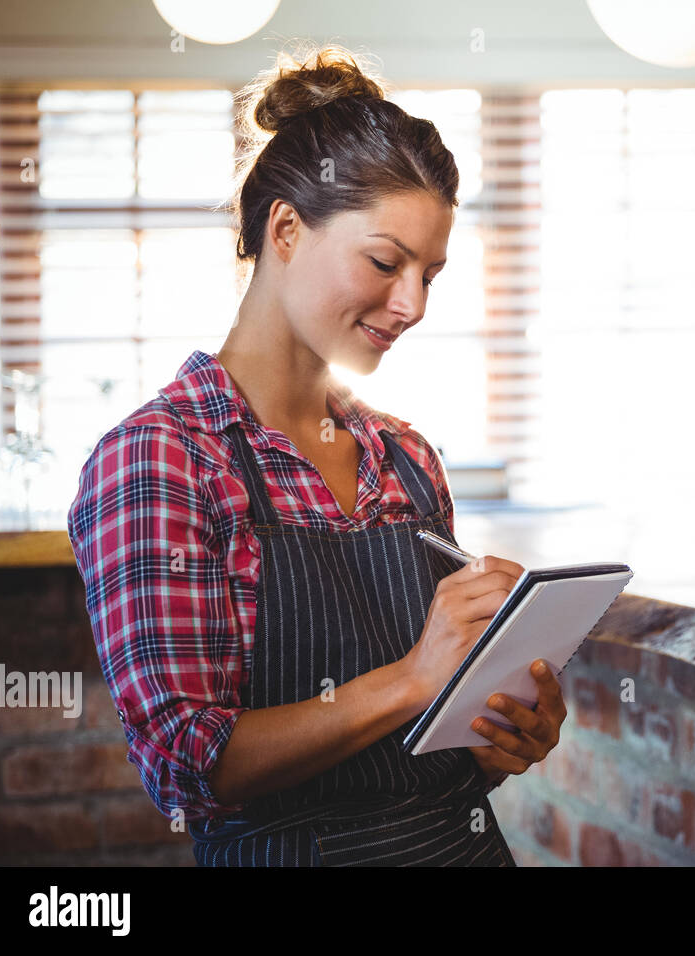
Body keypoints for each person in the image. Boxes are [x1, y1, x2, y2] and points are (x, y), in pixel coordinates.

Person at [67, 43, 566, 866]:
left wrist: (501, 731)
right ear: (287, 229)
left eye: (430, 275)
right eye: (385, 261)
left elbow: (437, 736)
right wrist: (413, 677)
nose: (411, 304)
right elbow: (188, 764)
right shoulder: (163, 458)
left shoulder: (406, 456)